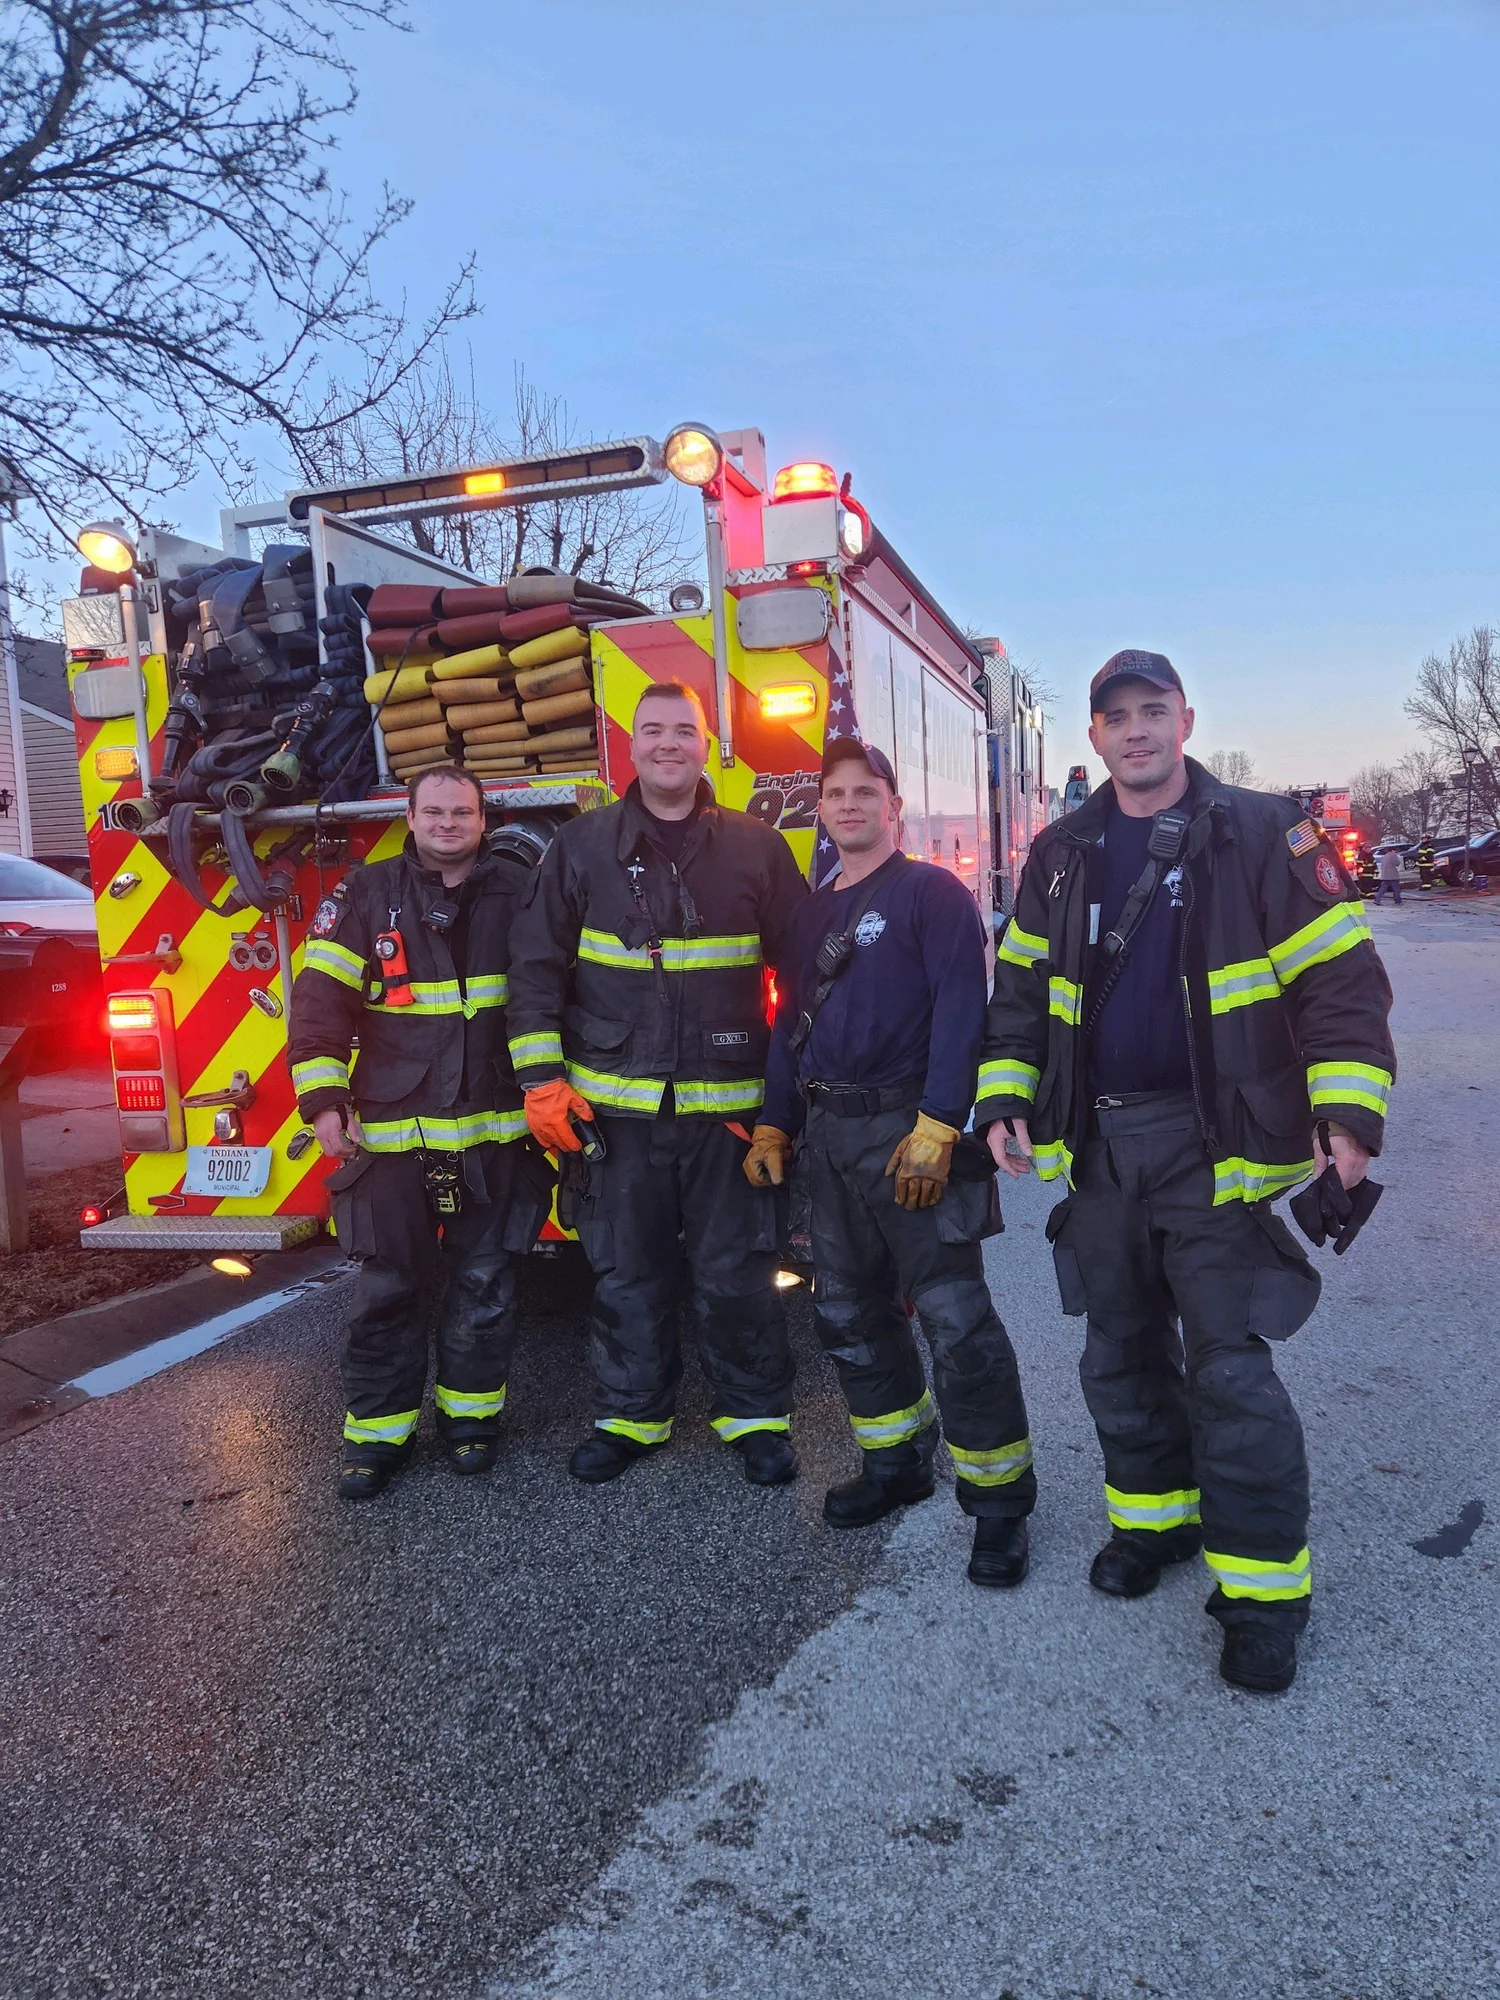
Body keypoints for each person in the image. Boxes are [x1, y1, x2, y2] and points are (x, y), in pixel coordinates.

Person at [977, 650, 1395, 1693]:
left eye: (1152, 711)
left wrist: (1349, 1112)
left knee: (1230, 1369)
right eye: (1115, 716)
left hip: (1219, 1149)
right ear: (1093, 736)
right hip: (1102, 1148)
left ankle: (1261, 1593)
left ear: (1185, 717)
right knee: (1117, 1353)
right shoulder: (1064, 850)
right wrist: (1004, 1095)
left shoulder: (1260, 832)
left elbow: (1341, 979)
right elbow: (1020, 991)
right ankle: (1155, 1524)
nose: (1135, 730)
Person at [505, 681, 808, 1486]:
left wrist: (788, 1105)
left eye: (684, 730)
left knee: (739, 1272)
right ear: (628, 748)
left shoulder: (757, 848)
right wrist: (541, 1078)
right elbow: (534, 969)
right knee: (625, 1273)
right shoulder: (580, 848)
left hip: (731, 1117)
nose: (668, 743)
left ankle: (755, 1419)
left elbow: (806, 980)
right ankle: (631, 1418)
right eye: (652, 731)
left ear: (706, 745)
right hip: (615, 1118)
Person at [753, 738, 1036, 1588]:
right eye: (834, 794)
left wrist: (940, 1125)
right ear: (822, 810)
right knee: (848, 1314)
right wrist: (774, 1125)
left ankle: (999, 1509)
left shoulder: (930, 894)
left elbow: (964, 1009)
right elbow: (785, 1026)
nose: (847, 806)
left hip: (910, 1133)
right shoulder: (807, 914)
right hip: (829, 1138)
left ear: (893, 805)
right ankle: (897, 1463)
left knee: (957, 1323)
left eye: (864, 792)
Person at [289, 765, 551, 1500]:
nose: (447, 823)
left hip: (492, 1134)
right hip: (391, 1138)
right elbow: (318, 1005)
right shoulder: (367, 894)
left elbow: (549, 992)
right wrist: (323, 1101)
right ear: (409, 817)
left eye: (460, 812)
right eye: (433, 812)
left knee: (484, 1284)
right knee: (388, 1290)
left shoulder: (520, 894)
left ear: (484, 819)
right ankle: (378, 1438)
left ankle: (470, 1423)